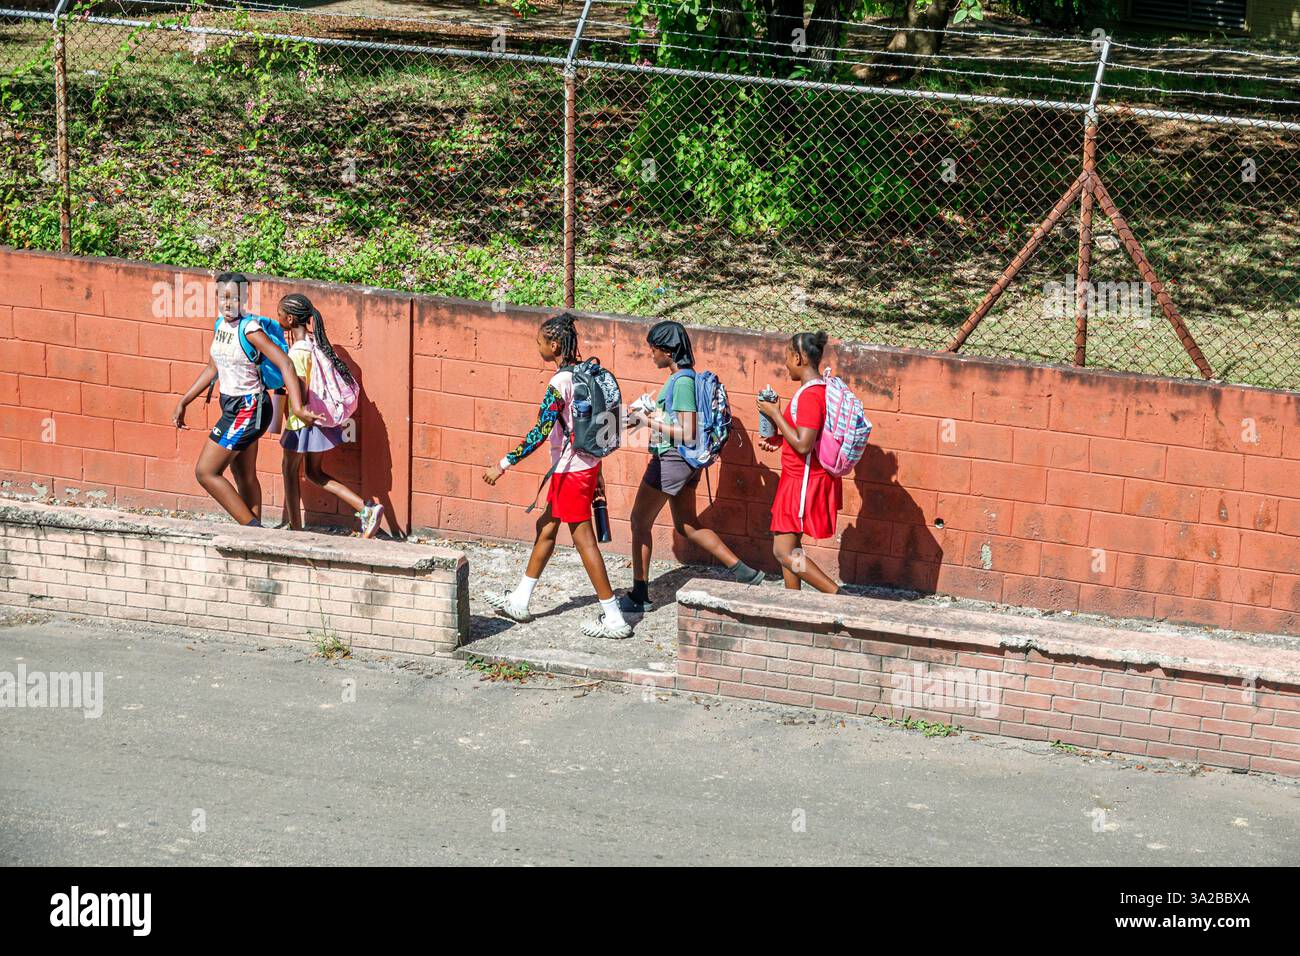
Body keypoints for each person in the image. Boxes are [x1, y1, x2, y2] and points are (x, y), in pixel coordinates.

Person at [480, 313, 632, 639]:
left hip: (570, 472)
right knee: (546, 526)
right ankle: (520, 599)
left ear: (553, 345)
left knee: (585, 541)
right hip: (585, 467)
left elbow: (539, 432)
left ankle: (614, 617)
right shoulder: (587, 373)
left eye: (538, 342)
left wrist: (503, 464)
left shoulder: (559, 383)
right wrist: (599, 470)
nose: (537, 347)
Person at [619, 320, 763, 612]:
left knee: (639, 521)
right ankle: (745, 572)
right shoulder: (682, 378)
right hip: (684, 463)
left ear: (668, 351)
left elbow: (687, 431)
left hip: (671, 461)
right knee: (687, 525)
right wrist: (641, 418)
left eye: (654, 349)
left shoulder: (682, 381)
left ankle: (640, 595)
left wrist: (647, 421)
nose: (651, 354)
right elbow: (674, 421)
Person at [172, 272, 314, 527]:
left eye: (234, 298)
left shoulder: (249, 329)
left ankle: (252, 529)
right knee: (243, 475)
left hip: (250, 407)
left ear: (244, 299)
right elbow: (211, 368)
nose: (228, 303)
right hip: (232, 406)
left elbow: (286, 364)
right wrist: (185, 400)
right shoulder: (220, 325)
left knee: (206, 472)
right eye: (223, 297)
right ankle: (254, 531)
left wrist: (299, 407)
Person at [275, 293, 383, 537]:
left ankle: (295, 529)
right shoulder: (315, 344)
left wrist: (285, 402)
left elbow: (299, 390)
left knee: (289, 471)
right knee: (314, 473)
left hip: (300, 421)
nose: (277, 317)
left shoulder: (297, 353)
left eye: (279, 313)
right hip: (320, 418)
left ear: (290, 319)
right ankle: (366, 509)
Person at [755, 331, 842, 593]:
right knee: (791, 548)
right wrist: (780, 440)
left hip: (802, 482)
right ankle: (792, 603)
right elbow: (808, 440)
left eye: (787, 358)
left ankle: (837, 595)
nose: (786, 364)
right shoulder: (815, 390)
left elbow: (804, 443)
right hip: (796, 477)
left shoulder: (810, 395)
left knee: (783, 551)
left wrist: (774, 414)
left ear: (799, 357)